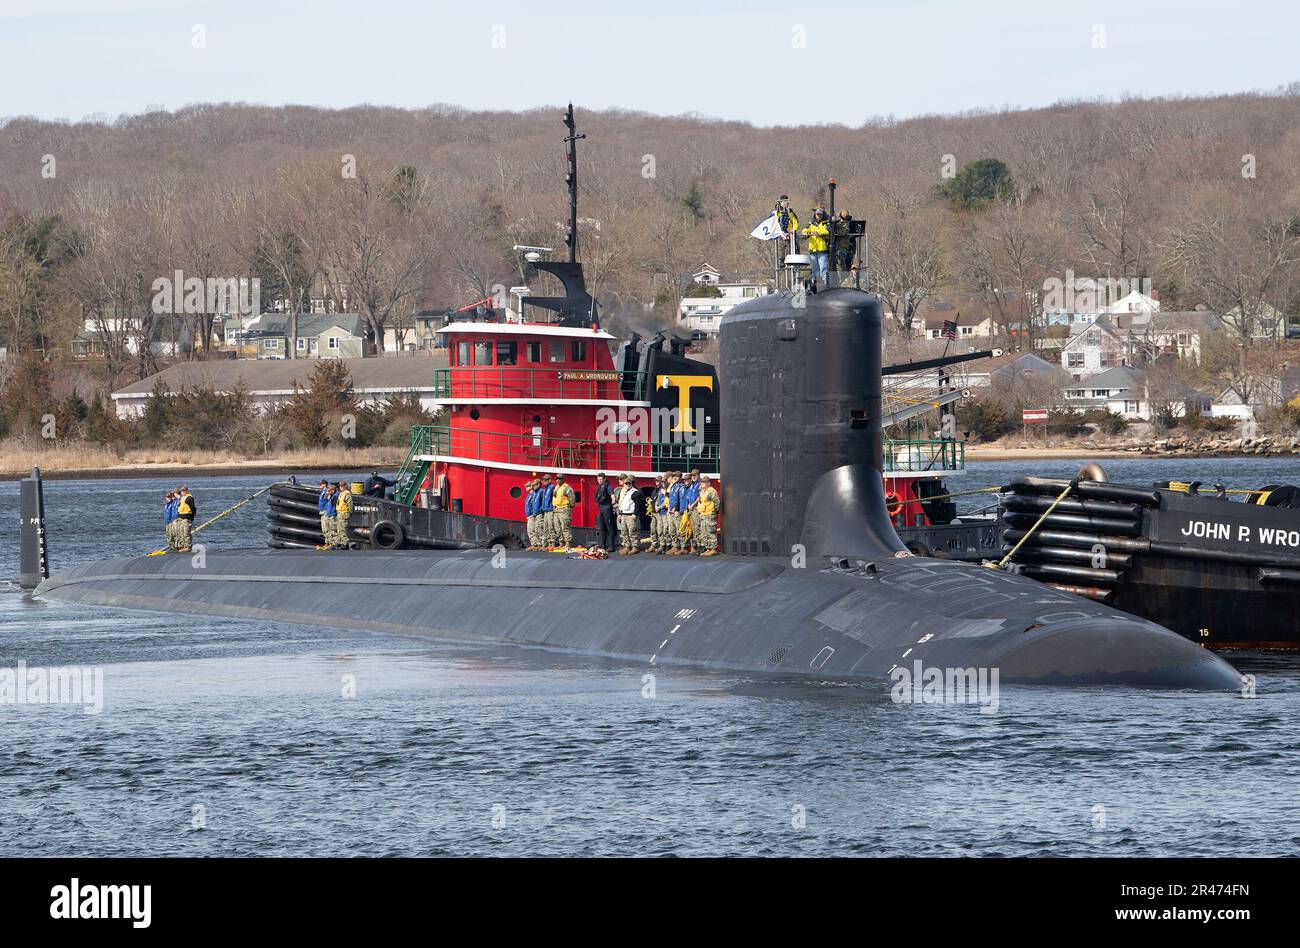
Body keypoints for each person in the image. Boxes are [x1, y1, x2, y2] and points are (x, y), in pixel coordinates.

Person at [801, 209, 831, 287]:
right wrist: (806, 233)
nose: (818, 216)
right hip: (813, 249)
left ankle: (825, 285)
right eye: (817, 214)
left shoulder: (825, 223)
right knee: (815, 270)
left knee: (823, 269)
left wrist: (818, 233)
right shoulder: (811, 223)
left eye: (820, 214)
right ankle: (816, 286)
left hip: (822, 249)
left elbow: (827, 232)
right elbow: (804, 230)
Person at [695, 473, 721, 556]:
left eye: (704, 482)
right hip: (703, 514)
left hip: (710, 514)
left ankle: (713, 549)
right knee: (704, 532)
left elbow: (717, 502)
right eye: (702, 482)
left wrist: (715, 511)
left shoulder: (711, 491)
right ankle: (708, 548)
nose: (702, 484)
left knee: (710, 532)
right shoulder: (702, 491)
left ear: (708, 483)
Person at [614, 475, 641, 555]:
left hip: (630, 515)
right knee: (624, 532)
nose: (627, 484)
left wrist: (635, 514)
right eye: (626, 483)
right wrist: (619, 514)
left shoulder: (635, 492)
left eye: (629, 483)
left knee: (632, 532)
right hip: (623, 515)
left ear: (632, 483)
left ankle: (635, 547)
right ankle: (627, 546)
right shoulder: (623, 491)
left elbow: (638, 505)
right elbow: (621, 503)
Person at [550, 473, 576, 551]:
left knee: (565, 526)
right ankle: (561, 542)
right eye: (557, 478)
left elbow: (572, 499)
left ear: (563, 479)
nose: (558, 480)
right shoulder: (556, 487)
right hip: (556, 510)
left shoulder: (567, 488)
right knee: (557, 527)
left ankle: (568, 543)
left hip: (564, 509)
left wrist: (569, 507)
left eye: (560, 479)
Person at [830, 209, 857, 281]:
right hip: (838, 247)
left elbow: (843, 232)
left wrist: (834, 230)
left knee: (841, 263)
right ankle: (842, 279)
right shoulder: (839, 223)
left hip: (842, 246)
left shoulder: (845, 223)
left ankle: (844, 279)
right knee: (839, 263)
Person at [593, 472, 617, 552]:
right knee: (602, 528)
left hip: (607, 509)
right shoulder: (599, 487)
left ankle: (612, 546)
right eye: (598, 479)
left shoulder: (608, 487)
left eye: (601, 479)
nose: (599, 481)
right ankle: (603, 544)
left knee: (609, 528)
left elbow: (612, 495)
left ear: (604, 479)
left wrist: (613, 500)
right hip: (601, 509)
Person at [681, 469, 702, 554]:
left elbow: (699, 497)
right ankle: (693, 547)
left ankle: (699, 547)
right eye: (692, 475)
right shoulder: (692, 485)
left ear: (698, 475)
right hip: (690, 510)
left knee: (697, 529)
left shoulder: (699, 485)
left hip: (696, 509)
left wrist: (693, 505)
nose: (693, 477)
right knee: (691, 529)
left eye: (695, 475)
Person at [665, 471, 685, 554]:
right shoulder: (673, 486)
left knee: (679, 530)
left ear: (680, 477)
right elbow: (671, 498)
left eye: (677, 476)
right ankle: (675, 546)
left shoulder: (681, 487)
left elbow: (680, 500)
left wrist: (676, 509)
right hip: (671, 511)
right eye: (674, 476)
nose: (675, 478)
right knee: (672, 530)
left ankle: (683, 547)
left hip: (677, 512)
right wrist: (669, 507)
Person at [174, 485, 197, 553]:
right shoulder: (183, 498)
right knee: (183, 532)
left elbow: (193, 508)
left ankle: (188, 546)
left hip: (187, 517)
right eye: (181, 491)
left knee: (186, 532)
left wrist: (192, 517)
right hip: (182, 517)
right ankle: (184, 545)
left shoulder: (189, 498)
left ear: (187, 491)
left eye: (184, 491)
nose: (182, 492)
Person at [537, 473, 556, 551]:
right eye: (543, 480)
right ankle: (548, 544)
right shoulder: (545, 489)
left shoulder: (552, 488)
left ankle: (553, 543)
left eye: (545, 480)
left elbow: (554, 498)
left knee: (551, 527)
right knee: (546, 528)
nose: (543, 481)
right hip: (545, 511)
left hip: (550, 510)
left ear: (549, 480)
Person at [332, 481, 352, 549]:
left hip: (344, 513)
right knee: (339, 529)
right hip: (339, 513)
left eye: (342, 486)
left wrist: (349, 513)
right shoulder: (341, 494)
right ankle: (341, 542)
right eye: (340, 486)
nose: (341, 487)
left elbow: (350, 504)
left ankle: (345, 543)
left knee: (343, 529)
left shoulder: (347, 494)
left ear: (345, 486)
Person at [317, 480, 335, 551]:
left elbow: (328, 499)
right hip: (322, 512)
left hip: (325, 512)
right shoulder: (323, 492)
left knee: (327, 528)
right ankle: (326, 543)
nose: (320, 486)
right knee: (324, 529)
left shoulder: (326, 491)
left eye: (321, 484)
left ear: (324, 484)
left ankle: (330, 543)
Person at [524, 479, 541, 550]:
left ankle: (537, 544)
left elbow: (533, 505)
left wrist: (532, 514)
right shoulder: (530, 495)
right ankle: (534, 544)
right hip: (529, 515)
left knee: (534, 530)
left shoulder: (533, 495)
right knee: (530, 530)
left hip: (532, 515)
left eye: (527, 486)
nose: (526, 488)